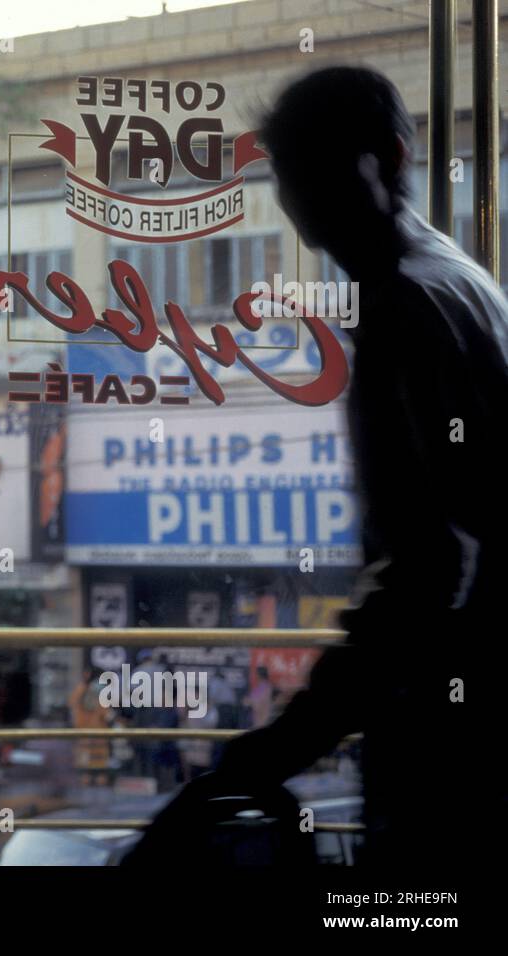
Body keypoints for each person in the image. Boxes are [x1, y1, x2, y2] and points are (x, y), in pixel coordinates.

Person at [210, 66, 508, 867]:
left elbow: (430, 572)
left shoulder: (407, 308)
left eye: (321, 165)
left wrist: (282, 744)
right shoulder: (464, 279)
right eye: (290, 173)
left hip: (450, 753)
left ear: (397, 156)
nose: (303, 198)